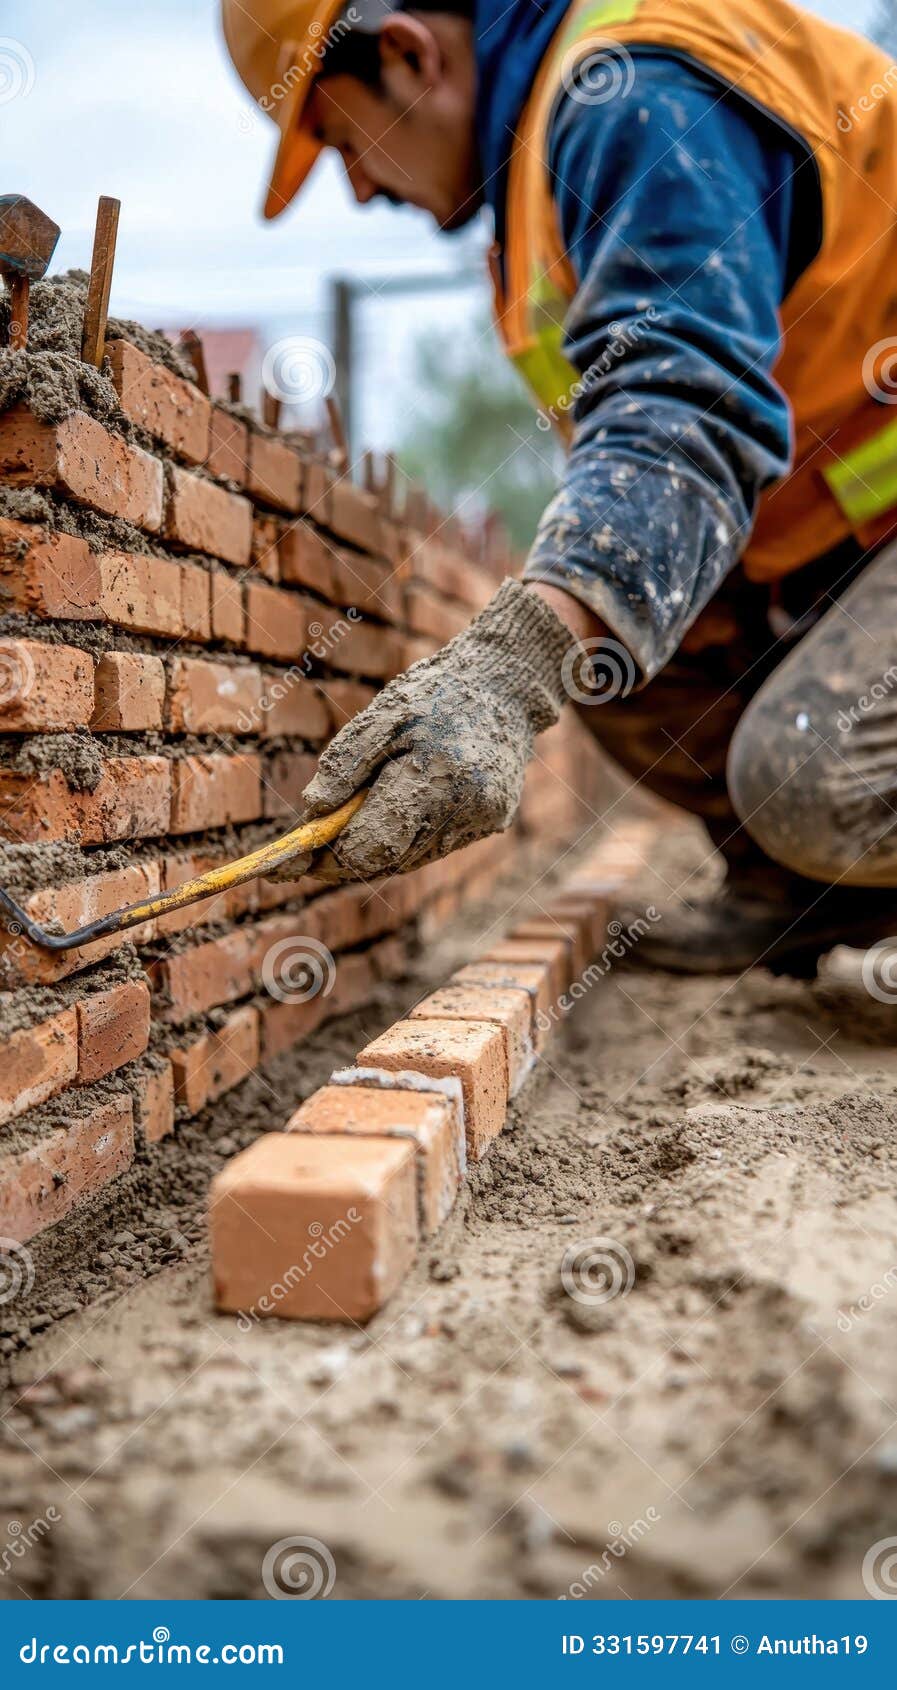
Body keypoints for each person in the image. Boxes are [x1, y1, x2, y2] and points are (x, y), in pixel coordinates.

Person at [223, 0, 897, 972]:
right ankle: (813, 902)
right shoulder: (544, 168)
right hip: (846, 540)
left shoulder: (628, 90)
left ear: (409, 52)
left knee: (808, 775)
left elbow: (683, 401)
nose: (362, 188)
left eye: (337, 137)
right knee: (619, 666)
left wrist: (509, 664)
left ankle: (823, 859)